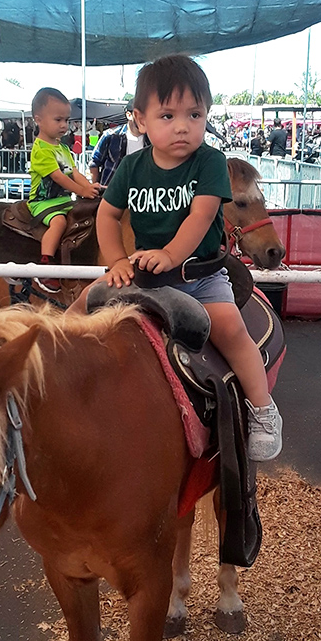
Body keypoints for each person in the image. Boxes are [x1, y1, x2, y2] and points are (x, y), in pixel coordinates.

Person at [94, 54, 282, 461]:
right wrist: (116, 261)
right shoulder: (130, 167)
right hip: (146, 275)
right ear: (140, 120)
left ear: (207, 116)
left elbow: (201, 216)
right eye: (167, 116)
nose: (182, 126)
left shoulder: (210, 163)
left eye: (194, 114)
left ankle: (263, 409)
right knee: (81, 307)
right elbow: (107, 215)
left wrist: (170, 254)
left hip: (200, 276)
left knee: (230, 329)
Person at [28, 87, 103, 294]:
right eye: (58, 120)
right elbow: (59, 177)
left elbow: (73, 172)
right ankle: (46, 263)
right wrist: (82, 190)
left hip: (62, 201)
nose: (64, 125)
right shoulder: (41, 150)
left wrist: (89, 187)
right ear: (39, 119)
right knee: (59, 222)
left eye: (66, 120)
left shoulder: (62, 149)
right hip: (43, 202)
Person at [90, 100, 150, 186]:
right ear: (129, 115)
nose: (145, 119)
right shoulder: (111, 136)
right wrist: (96, 186)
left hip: (140, 193)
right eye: (141, 116)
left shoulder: (152, 139)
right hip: (111, 192)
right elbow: (94, 162)